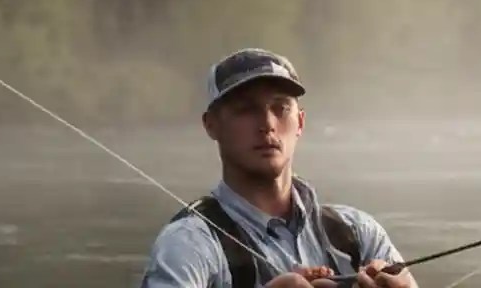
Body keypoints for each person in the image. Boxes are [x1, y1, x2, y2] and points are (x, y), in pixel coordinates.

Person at [139, 48, 419, 288]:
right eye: (246, 109)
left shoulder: (359, 233)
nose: (267, 124)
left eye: (280, 108)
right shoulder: (187, 244)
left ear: (300, 123)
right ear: (211, 125)